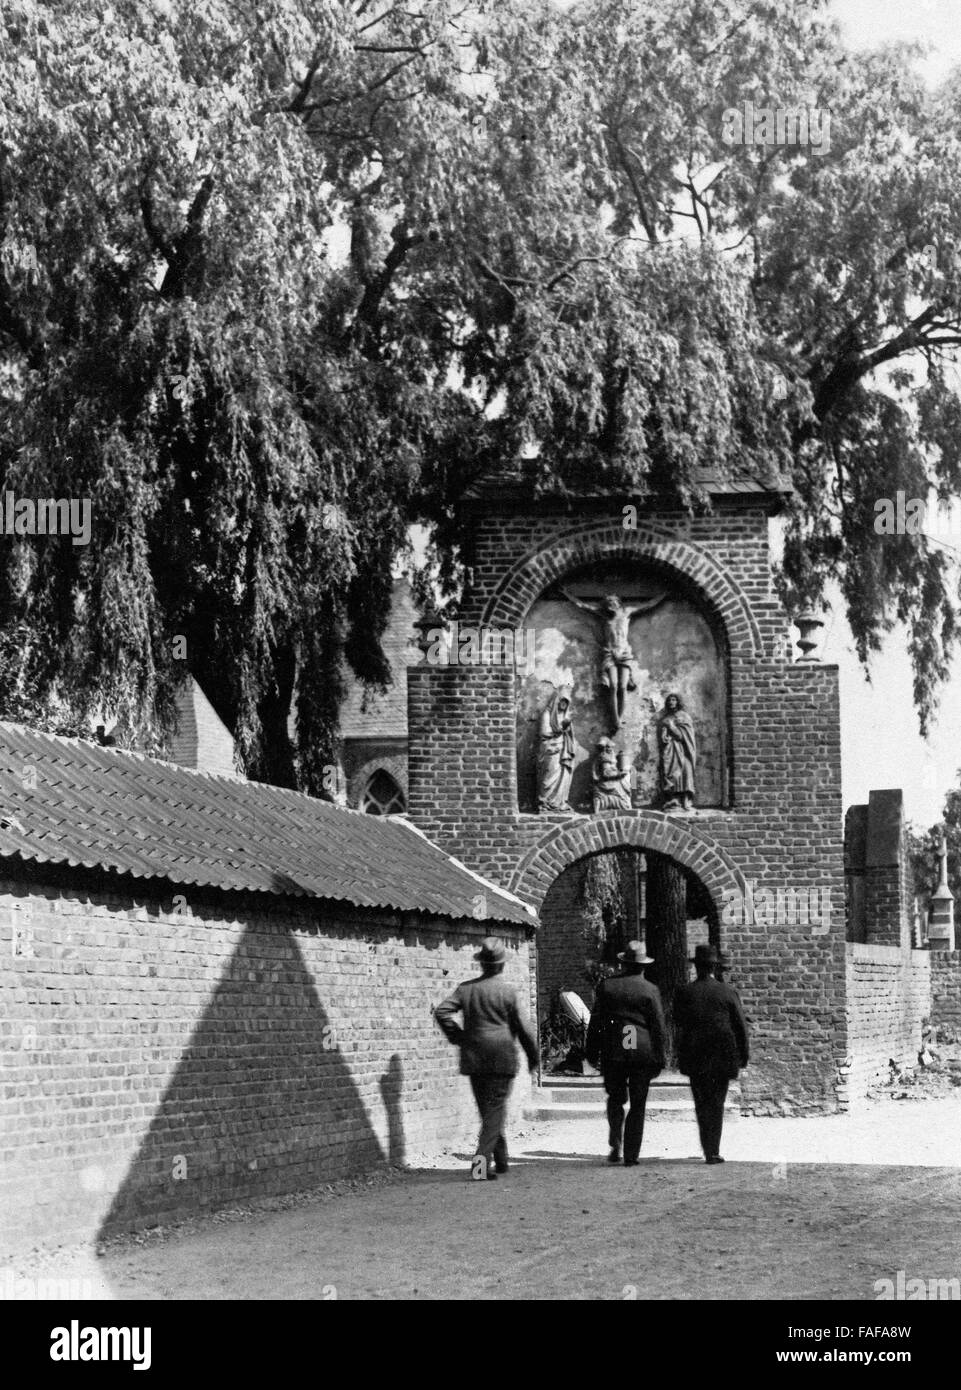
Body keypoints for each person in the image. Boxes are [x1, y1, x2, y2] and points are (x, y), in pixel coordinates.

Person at [434, 938, 538, 1180]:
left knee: (490, 1111)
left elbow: (442, 1012)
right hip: (502, 1059)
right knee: (494, 1112)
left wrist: (459, 1037)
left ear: (482, 964)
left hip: (475, 1059)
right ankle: (480, 1167)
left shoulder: (466, 989)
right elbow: (524, 1029)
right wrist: (533, 1058)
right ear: (501, 965)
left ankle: (501, 1161)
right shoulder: (508, 992)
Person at [585, 940, 667, 1166]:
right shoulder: (650, 990)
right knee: (638, 1103)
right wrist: (661, 1057)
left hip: (614, 1052)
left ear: (624, 963)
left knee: (615, 1098)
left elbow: (596, 1022)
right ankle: (631, 1154)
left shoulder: (607, 986)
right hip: (641, 1053)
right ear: (643, 966)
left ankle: (615, 1142)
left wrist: (591, 1052)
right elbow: (658, 1027)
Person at [674, 944, 750, 1164]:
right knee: (716, 1103)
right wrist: (743, 1054)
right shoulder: (728, 992)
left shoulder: (685, 992)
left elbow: (678, 1023)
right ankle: (713, 1151)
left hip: (695, 1055)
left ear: (696, 968)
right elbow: (740, 1027)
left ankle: (707, 1147)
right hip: (722, 1056)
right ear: (715, 968)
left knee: (701, 1103)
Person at [537, 686, 576, 811]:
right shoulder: (547, 714)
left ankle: (559, 803)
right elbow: (544, 732)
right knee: (549, 774)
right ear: (556, 701)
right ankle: (545, 802)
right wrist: (559, 729)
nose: (564, 704)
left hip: (563, 750)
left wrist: (566, 727)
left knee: (563, 775)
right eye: (562, 700)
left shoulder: (565, 716)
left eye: (566, 702)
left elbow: (569, 735)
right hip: (550, 749)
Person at [657, 692, 696, 810]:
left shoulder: (684, 716)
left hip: (683, 751)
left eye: (673, 700)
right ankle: (673, 799)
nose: (671, 702)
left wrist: (671, 726)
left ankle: (685, 800)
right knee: (671, 774)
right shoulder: (666, 718)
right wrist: (664, 736)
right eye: (669, 700)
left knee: (685, 771)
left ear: (678, 702)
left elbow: (682, 736)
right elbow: (663, 738)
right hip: (670, 751)